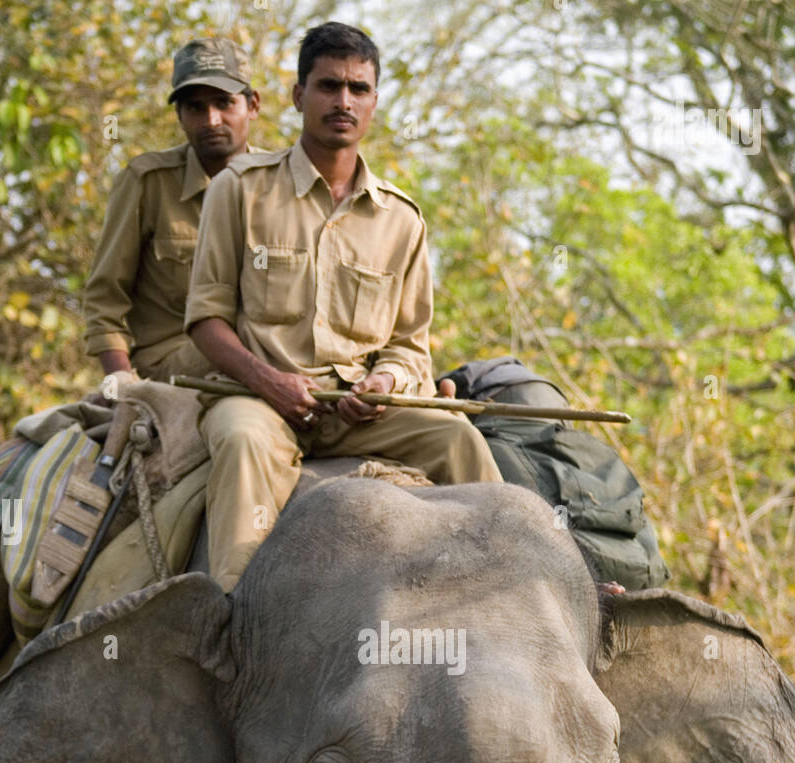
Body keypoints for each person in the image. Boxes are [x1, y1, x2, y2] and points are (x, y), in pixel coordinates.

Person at [185, 21, 502, 593]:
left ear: (375, 101)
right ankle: (226, 613)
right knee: (240, 443)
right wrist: (270, 382)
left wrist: (383, 384)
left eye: (359, 89)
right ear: (298, 95)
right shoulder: (240, 189)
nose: (344, 101)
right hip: (260, 405)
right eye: (329, 86)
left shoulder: (401, 219)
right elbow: (205, 319)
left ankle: (517, 577)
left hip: (357, 414)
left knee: (459, 438)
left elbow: (409, 345)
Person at [83, 36, 263, 392]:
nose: (211, 120)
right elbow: (105, 296)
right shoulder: (147, 181)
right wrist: (120, 380)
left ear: (252, 105)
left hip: (258, 350)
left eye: (224, 103)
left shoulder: (278, 185)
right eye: (195, 108)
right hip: (174, 359)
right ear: (179, 115)